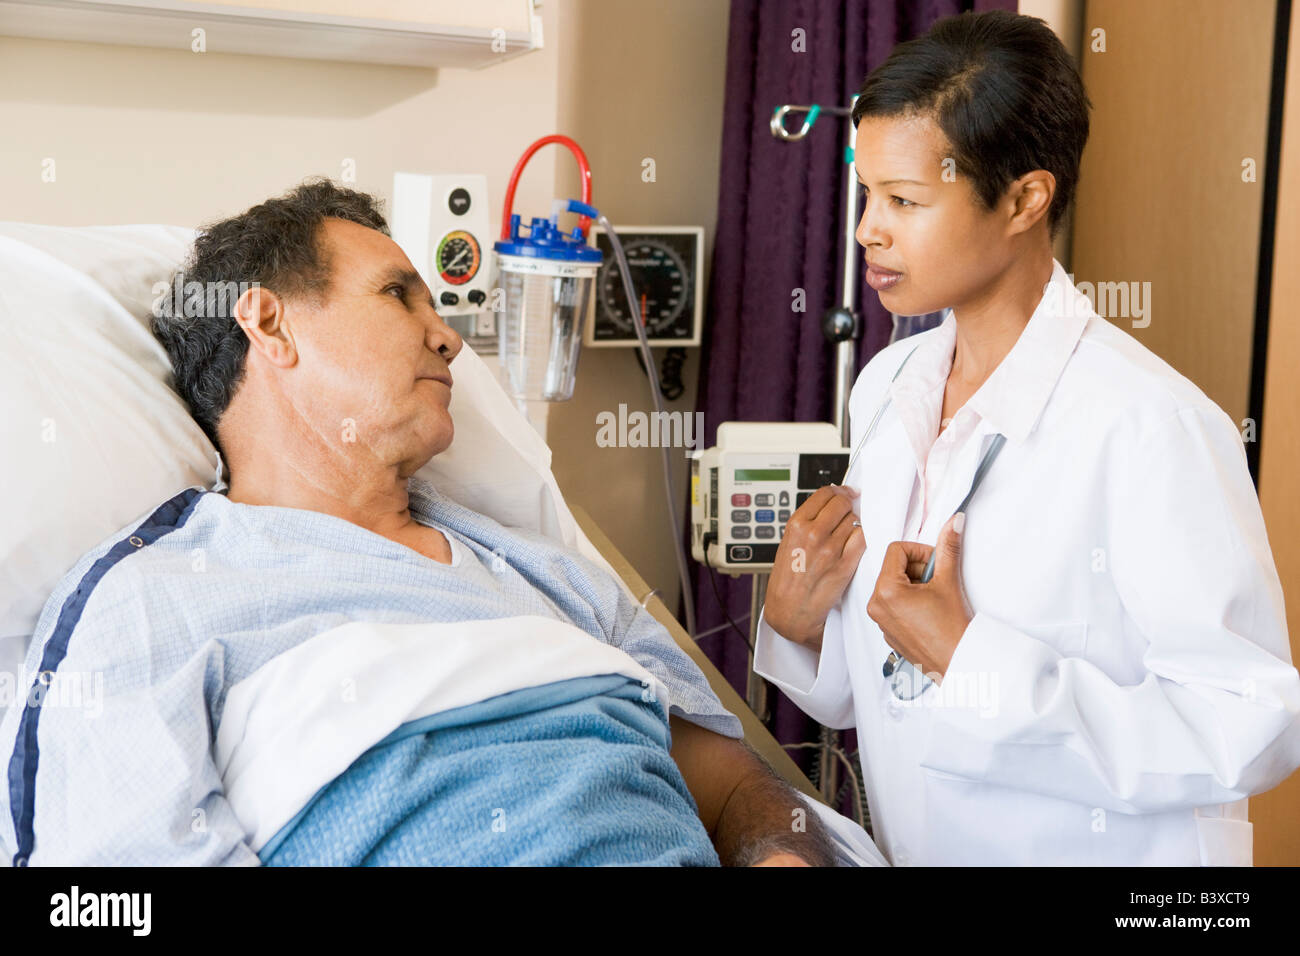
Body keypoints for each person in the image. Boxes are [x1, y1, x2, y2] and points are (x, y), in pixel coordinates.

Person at [1, 180, 834, 867]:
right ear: (268, 323)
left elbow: (735, 789)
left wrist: (784, 860)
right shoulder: (155, 597)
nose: (449, 340)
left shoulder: (550, 576)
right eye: (399, 295)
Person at [757, 9, 1300, 866]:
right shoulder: (887, 388)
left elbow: (1251, 725)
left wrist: (972, 658)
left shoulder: (1151, 425)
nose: (868, 227)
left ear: (1023, 199)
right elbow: (888, 692)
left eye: (904, 200)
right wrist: (798, 624)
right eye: (867, 193)